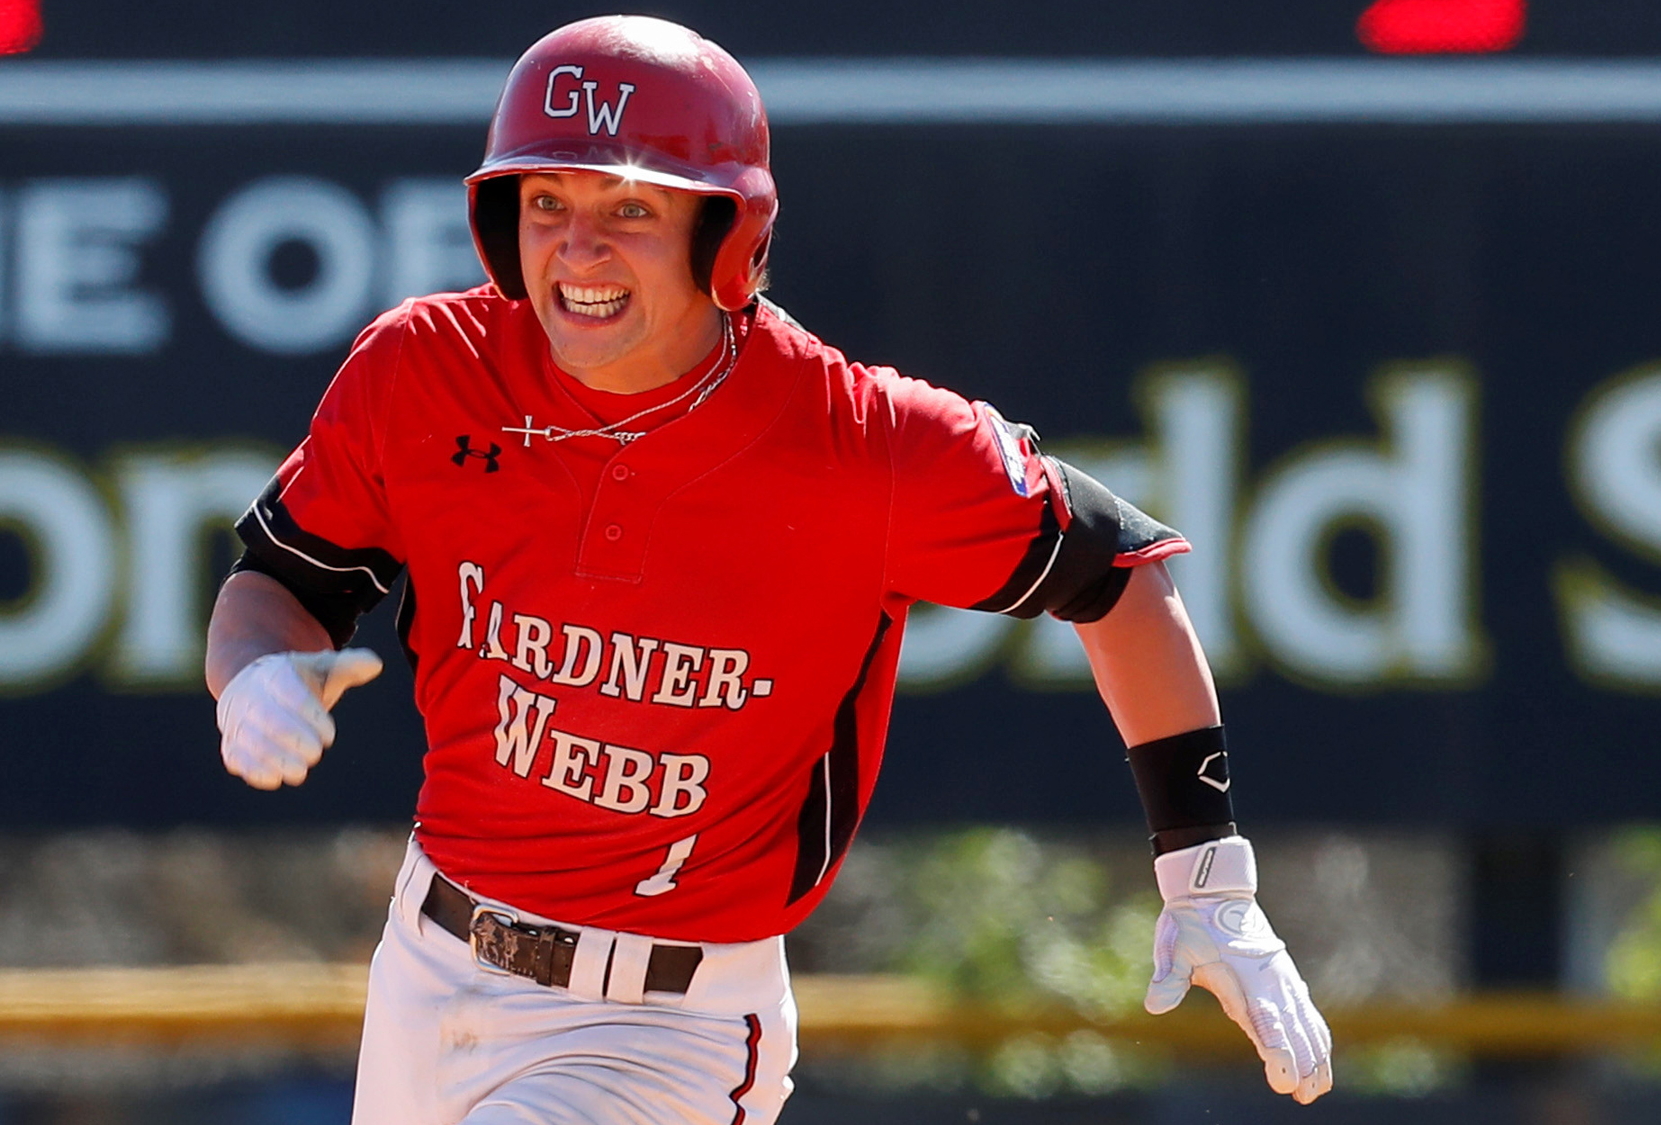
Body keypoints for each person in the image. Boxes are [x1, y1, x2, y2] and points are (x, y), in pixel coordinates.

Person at [205, 14, 1332, 1124]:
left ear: (726, 234)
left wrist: (1206, 870)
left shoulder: (860, 440)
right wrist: (250, 672)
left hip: (662, 1025)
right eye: (546, 201)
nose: (577, 247)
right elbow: (282, 584)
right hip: (425, 967)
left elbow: (1119, 575)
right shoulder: (424, 369)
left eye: (630, 208)